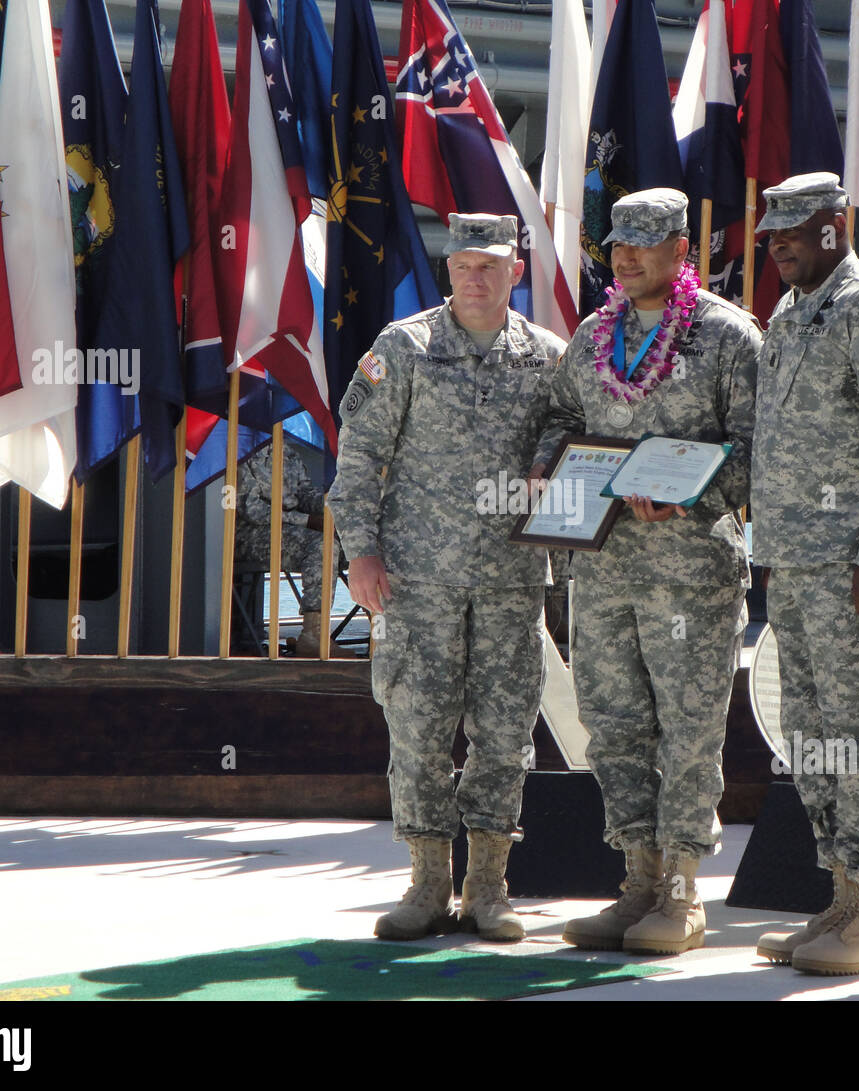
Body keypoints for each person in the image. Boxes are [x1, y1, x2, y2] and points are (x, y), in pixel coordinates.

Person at [326, 213, 566, 943]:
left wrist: (549, 462)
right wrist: (359, 551)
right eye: (462, 263)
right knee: (418, 728)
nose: (474, 276)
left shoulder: (547, 357)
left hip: (509, 581)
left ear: (515, 271)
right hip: (416, 581)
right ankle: (428, 882)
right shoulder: (405, 349)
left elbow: (573, 433)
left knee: (502, 734)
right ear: (448, 267)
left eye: (490, 264)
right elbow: (359, 457)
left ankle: (488, 885)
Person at [535, 188, 761, 955]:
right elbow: (561, 419)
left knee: (688, 730)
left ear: (680, 251)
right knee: (615, 724)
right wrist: (547, 472)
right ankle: (635, 881)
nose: (625, 255)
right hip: (602, 569)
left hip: (690, 571)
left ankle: (682, 891)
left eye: (644, 241)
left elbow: (758, 446)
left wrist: (697, 494)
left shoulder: (726, 338)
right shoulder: (595, 334)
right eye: (618, 242)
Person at [749, 173, 859, 974]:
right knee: (811, 738)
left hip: (853, 569)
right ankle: (841, 898)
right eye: (773, 231)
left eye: (797, 227)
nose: (781, 242)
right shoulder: (788, 313)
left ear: (837, 223)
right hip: (793, 564)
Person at [234, 443, 339, 657]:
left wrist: (334, 506)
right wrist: (306, 521)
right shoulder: (241, 449)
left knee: (354, 544)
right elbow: (252, 509)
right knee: (323, 546)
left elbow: (304, 494)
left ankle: (383, 634)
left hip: (291, 530)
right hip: (251, 534)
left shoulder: (286, 450)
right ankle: (313, 634)